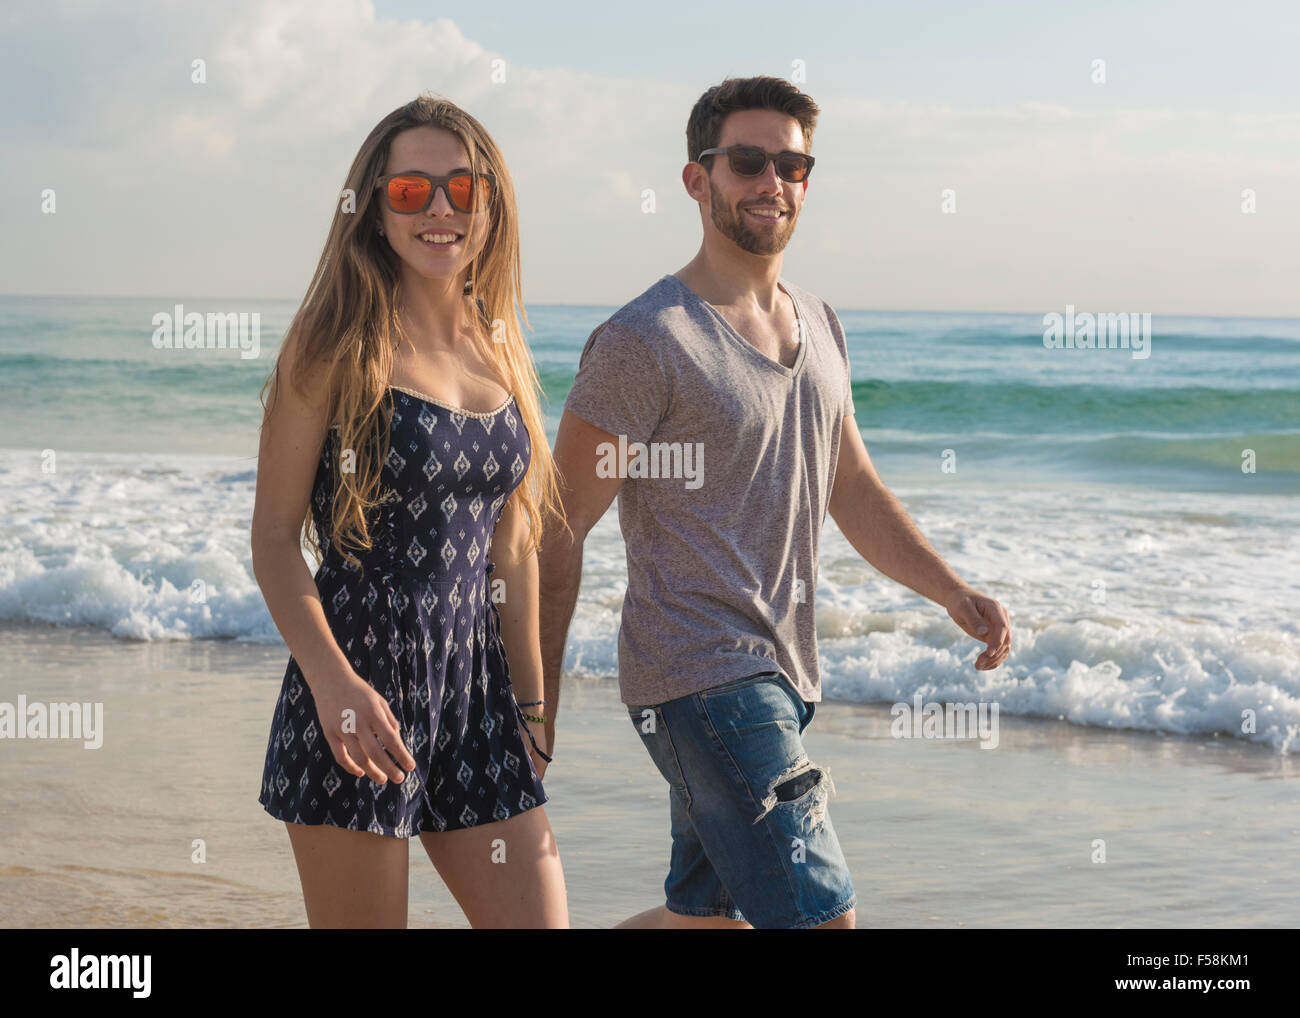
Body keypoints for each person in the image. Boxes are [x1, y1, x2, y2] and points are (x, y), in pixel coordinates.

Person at [538, 76, 1011, 929]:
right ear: (697, 179)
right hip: (697, 674)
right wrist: (533, 703)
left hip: (785, 672)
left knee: (707, 922)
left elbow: (851, 486)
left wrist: (950, 590)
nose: (773, 182)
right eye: (749, 161)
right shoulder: (646, 339)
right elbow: (555, 526)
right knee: (822, 919)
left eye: (792, 163)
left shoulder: (820, 322)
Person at [253, 94, 568, 928]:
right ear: (373, 210)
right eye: (411, 192)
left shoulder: (499, 339)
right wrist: (334, 684)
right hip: (359, 688)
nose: (439, 209)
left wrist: (531, 705)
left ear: (490, 206)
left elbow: (515, 542)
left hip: (478, 695)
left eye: (463, 190)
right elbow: (275, 541)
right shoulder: (331, 343)